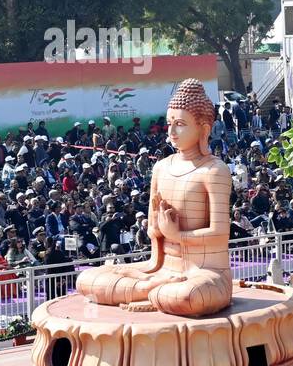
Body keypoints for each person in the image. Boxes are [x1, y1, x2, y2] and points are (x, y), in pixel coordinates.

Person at [75, 79, 233, 317]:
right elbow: (153, 231)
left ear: (204, 129)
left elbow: (220, 232)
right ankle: (151, 289)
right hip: (162, 268)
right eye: (169, 123)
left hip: (204, 272)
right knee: (87, 280)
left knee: (188, 297)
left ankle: (152, 292)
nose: (171, 132)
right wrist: (157, 228)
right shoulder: (161, 167)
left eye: (180, 124)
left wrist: (178, 235)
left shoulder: (214, 170)